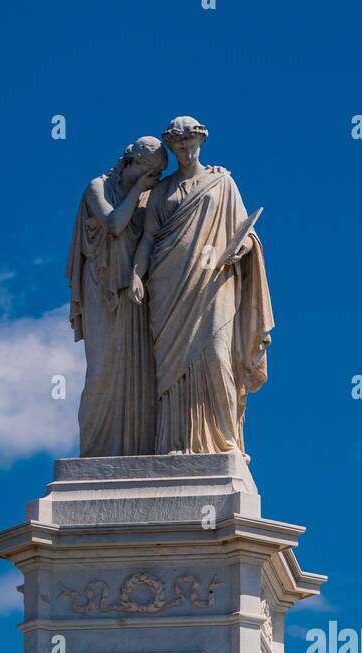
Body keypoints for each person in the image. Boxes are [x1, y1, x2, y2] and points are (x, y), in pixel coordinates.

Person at [131, 115, 274, 455]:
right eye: (178, 143)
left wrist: (243, 245)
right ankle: (176, 442)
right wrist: (137, 274)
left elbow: (247, 232)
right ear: (171, 145)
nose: (184, 148)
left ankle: (225, 441)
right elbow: (149, 238)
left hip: (213, 280)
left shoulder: (223, 183)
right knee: (170, 367)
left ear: (201, 142)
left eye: (190, 142)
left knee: (215, 354)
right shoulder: (161, 191)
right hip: (167, 284)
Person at [66, 136, 167, 456]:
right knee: (103, 368)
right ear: (132, 162)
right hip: (102, 285)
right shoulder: (97, 187)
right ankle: (95, 451)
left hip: (135, 289)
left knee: (139, 372)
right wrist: (139, 190)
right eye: (150, 171)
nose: (154, 180)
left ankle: (135, 449)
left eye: (158, 175)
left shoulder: (150, 195)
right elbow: (113, 224)